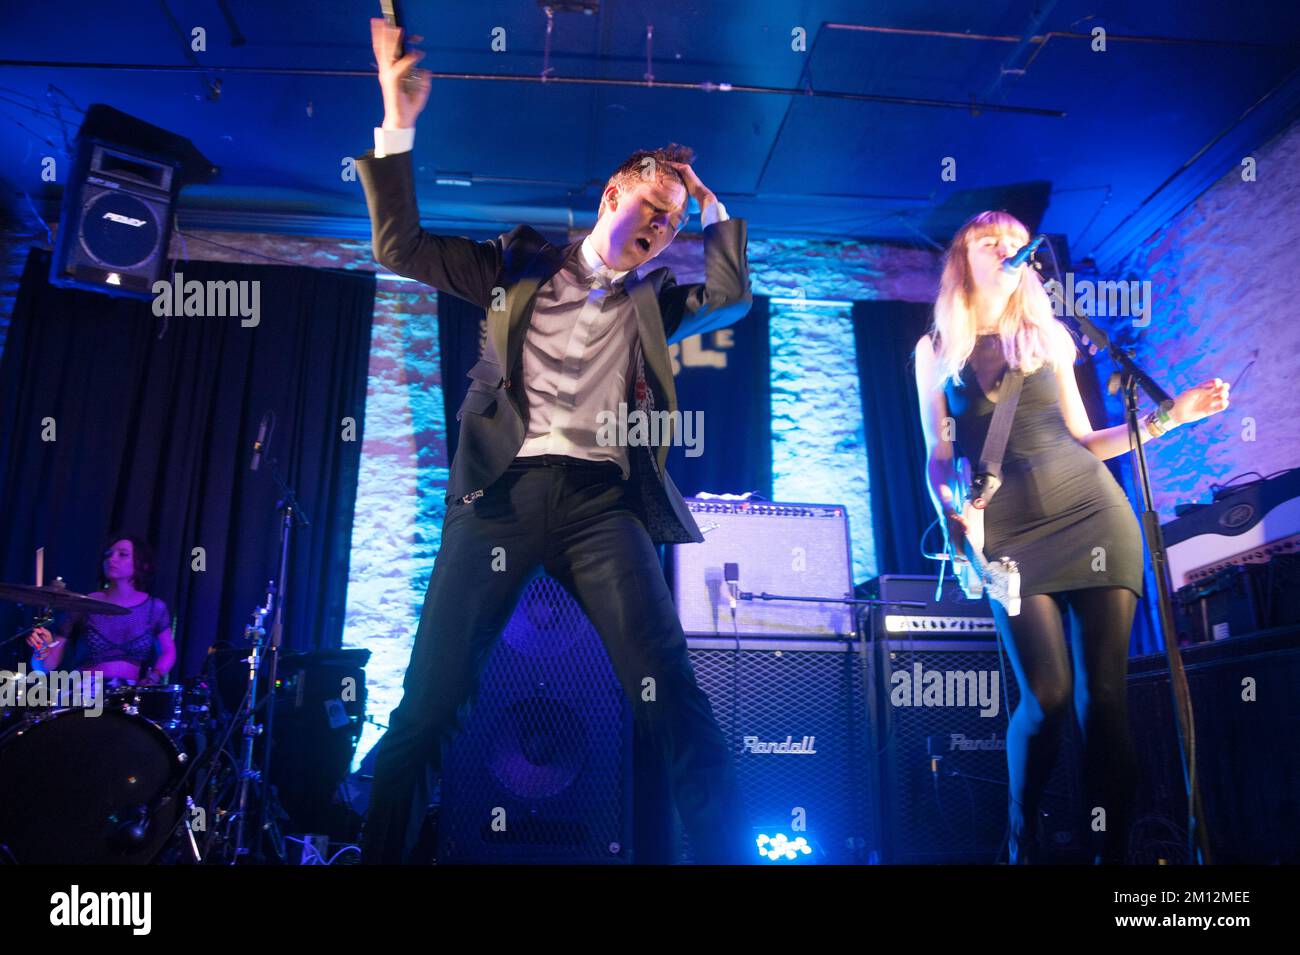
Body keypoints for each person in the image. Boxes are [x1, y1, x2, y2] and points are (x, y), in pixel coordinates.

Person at [355, 18, 756, 864]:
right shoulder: (516, 265)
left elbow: (730, 295)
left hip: (601, 509)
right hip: (498, 498)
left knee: (670, 693)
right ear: (613, 196)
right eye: (654, 208)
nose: (662, 229)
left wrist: (711, 204)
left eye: (675, 223)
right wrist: (397, 118)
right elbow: (399, 244)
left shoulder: (657, 304)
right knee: (429, 705)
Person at [913, 210, 1230, 864]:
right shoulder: (937, 352)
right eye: (988, 240)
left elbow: (1087, 439)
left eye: (1014, 240)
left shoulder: (1050, 336)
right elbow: (938, 455)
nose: (1006, 247)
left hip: (1094, 514)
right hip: (1006, 535)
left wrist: (1173, 415)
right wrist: (954, 514)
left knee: (1106, 699)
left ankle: (1109, 858)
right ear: (961, 260)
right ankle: (1022, 843)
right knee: (1047, 695)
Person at [27, 534, 175, 688]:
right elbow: (44, 667)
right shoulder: (83, 604)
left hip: (128, 696)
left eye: (122, 554)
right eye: (108, 555)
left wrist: (155, 675)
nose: (112, 559)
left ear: (142, 564)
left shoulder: (154, 608)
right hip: (83, 692)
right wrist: (43, 649)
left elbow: (168, 651)